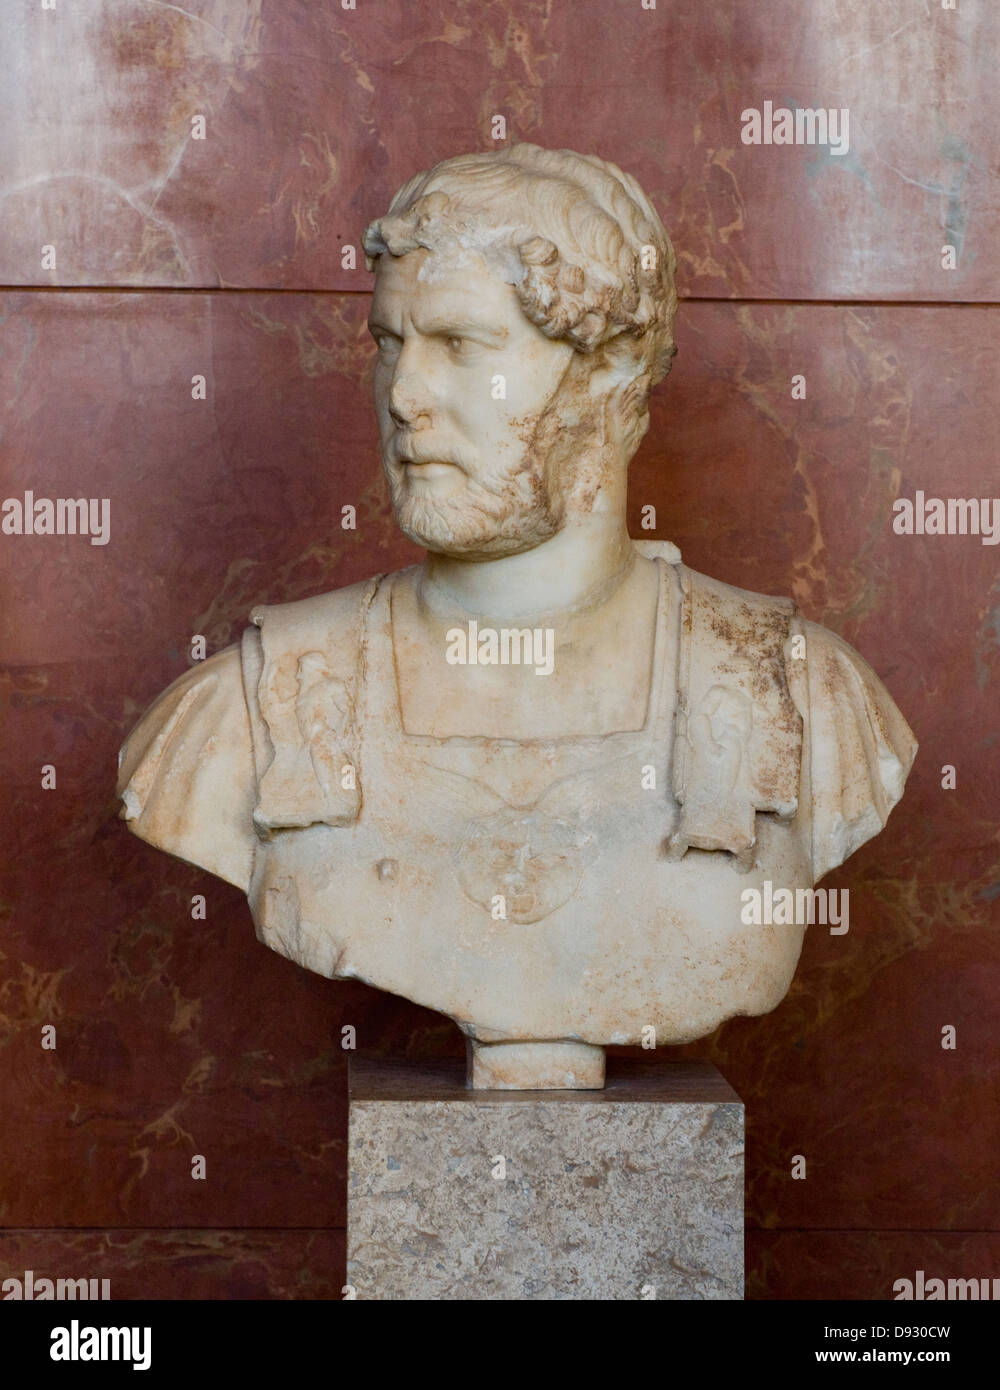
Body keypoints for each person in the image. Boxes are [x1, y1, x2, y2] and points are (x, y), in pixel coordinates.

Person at [118, 144, 916, 1089]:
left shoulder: (795, 690)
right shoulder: (253, 704)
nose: (405, 398)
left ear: (610, 377)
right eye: (389, 344)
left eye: (461, 345)